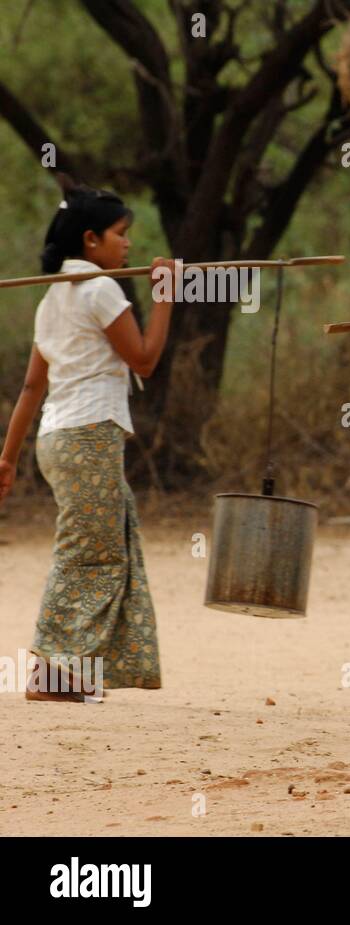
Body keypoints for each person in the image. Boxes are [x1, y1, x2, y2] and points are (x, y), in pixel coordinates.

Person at [0, 185, 177, 702]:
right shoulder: (99, 288)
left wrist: (9, 457)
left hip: (58, 438)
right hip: (88, 435)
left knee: (110, 541)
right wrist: (165, 296)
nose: (127, 247)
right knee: (89, 555)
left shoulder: (53, 295)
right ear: (90, 239)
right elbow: (144, 359)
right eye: (121, 236)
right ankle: (48, 668)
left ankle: (76, 667)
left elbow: (34, 387)